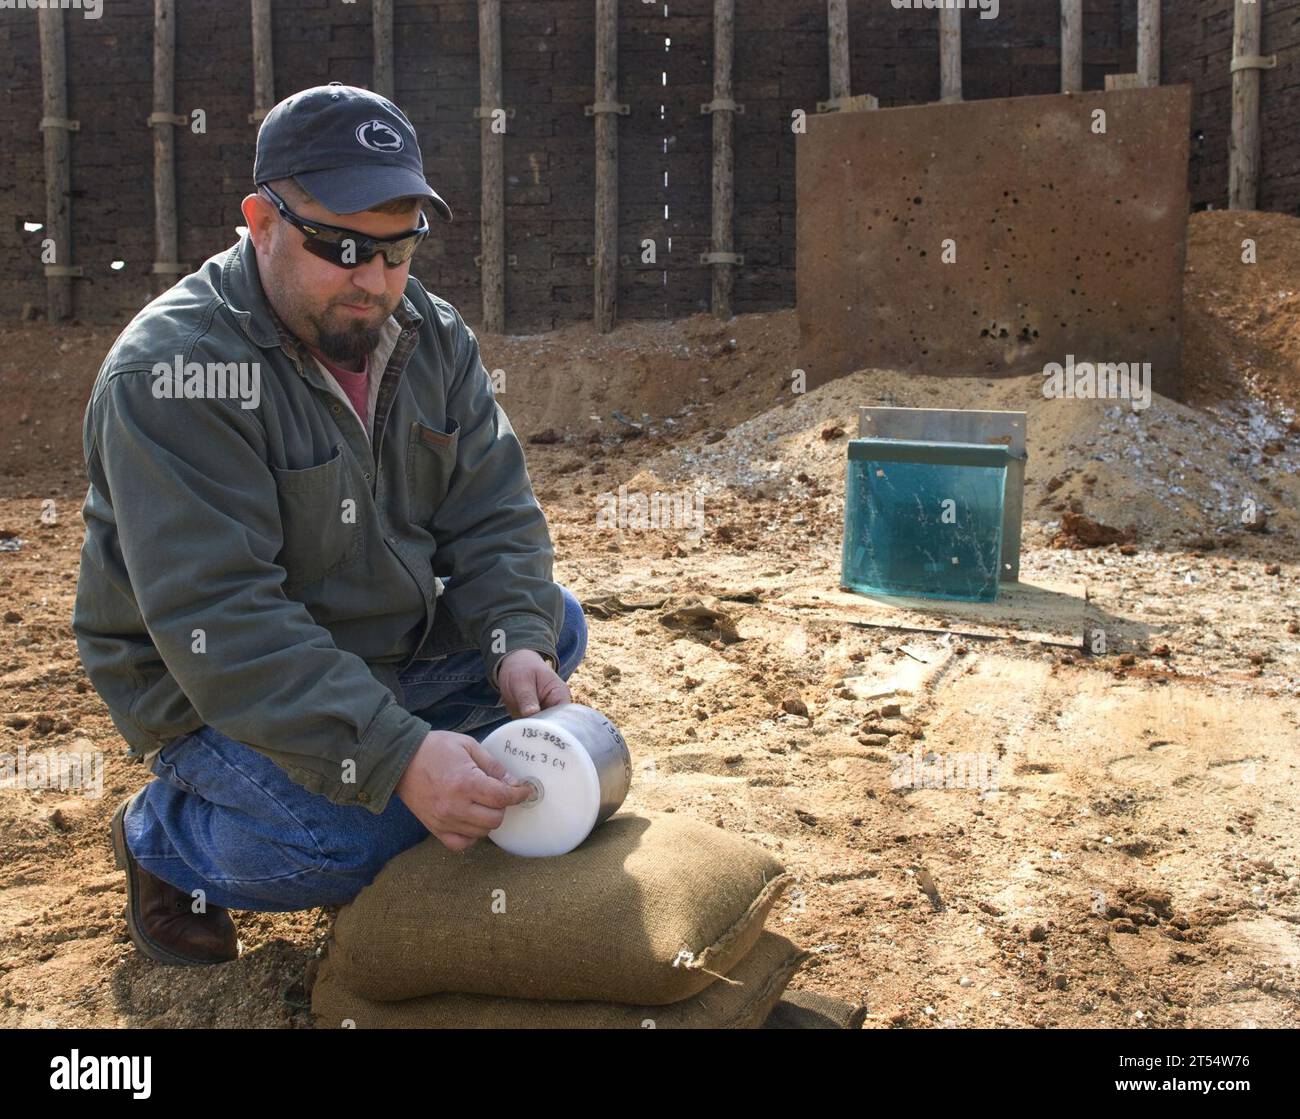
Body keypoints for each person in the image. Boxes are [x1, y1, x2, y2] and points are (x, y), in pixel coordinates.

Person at [72, 83, 587, 966]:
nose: (375, 281)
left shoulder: (430, 334)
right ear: (260, 221)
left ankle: (405, 738)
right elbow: (225, 624)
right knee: (345, 847)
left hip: (376, 637)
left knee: (552, 623)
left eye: (398, 249)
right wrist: (400, 753)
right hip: (208, 689)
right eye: (341, 247)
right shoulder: (175, 374)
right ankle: (161, 836)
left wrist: (514, 641)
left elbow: (494, 512)